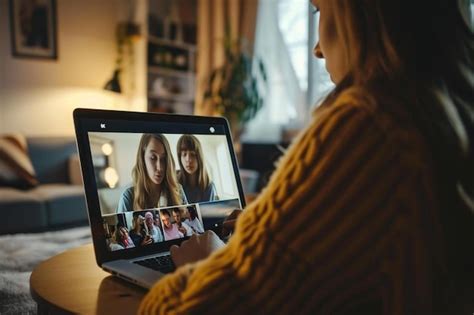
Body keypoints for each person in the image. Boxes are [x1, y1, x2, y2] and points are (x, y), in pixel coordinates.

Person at [139, 0, 474, 313]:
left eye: (317, 11)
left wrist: (210, 262)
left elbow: (187, 307)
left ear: (358, 14)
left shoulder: (372, 125)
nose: (316, 49)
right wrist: (270, 225)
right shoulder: (445, 116)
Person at [117, 134, 188, 212]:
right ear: (142, 158)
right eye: (153, 158)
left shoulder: (178, 191)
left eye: (163, 159)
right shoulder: (128, 198)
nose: (159, 167)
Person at [176, 134, 218, 203]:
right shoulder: (175, 182)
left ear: (199, 157)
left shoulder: (209, 186)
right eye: (184, 154)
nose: (188, 159)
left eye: (193, 154)